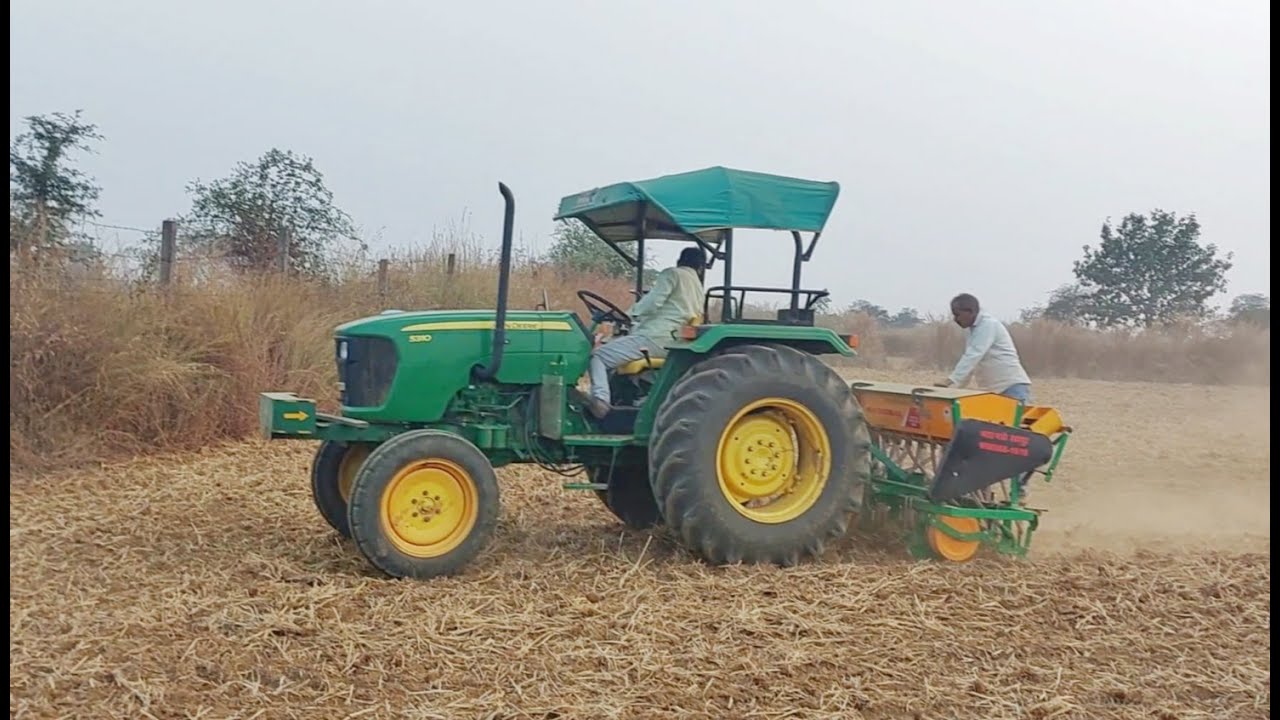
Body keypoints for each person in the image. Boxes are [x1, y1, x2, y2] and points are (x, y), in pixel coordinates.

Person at [585, 245, 707, 418]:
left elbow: (653, 302)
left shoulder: (672, 274)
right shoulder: (698, 286)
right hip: (674, 339)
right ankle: (617, 400)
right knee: (612, 350)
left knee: (598, 356)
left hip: (656, 336)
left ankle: (601, 401)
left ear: (679, 261)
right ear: (700, 267)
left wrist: (630, 314)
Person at [934, 293, 1032, 403]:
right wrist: (954, 389)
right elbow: (971, 364)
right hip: (993, 391)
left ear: (970, 311)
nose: (955, 319)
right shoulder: (972, 331)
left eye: (957, 315)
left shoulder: (988, 325)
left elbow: (973, 355)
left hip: (1010, 387)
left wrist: (951, 380)